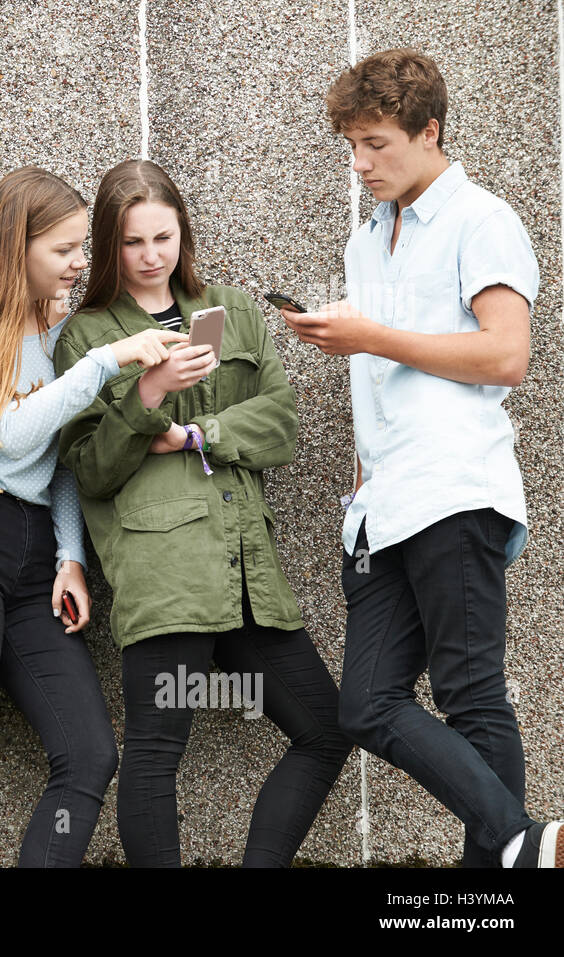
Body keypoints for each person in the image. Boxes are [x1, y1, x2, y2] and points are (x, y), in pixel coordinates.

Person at [284, 48, 561, 867]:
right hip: (382, 505)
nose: (361, 163)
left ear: (428, 130)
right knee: (366, 705)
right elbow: (385, 377)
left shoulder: (483, 219)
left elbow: (506, 355)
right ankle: (524, 841)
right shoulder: (365, 244)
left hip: (456, 486)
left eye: (376, 143)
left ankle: (495, 884)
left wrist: (369, 334)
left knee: (472, 697)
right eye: (352, 147)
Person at [54, 159, 351, 867]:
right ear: (108, 246)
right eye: (133, 244)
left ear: (185, 231)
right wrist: (149, 391)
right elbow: (90, 466)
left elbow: (280, 423)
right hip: (166, 570)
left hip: (247, 565)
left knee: (327, 729)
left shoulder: (234, 310)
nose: (153, 256)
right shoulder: (88, 336)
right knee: (156, 752)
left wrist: (195, 434)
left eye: (165, 237)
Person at [0, 165, 187, 867]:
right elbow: (12, 431)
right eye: (64, 249)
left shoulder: (48, 331)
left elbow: (54, 458)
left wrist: (70, 556)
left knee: (88, 752)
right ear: (15, 245)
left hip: (31, 556)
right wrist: (106, 360)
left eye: (82, 246)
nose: (81, 263)